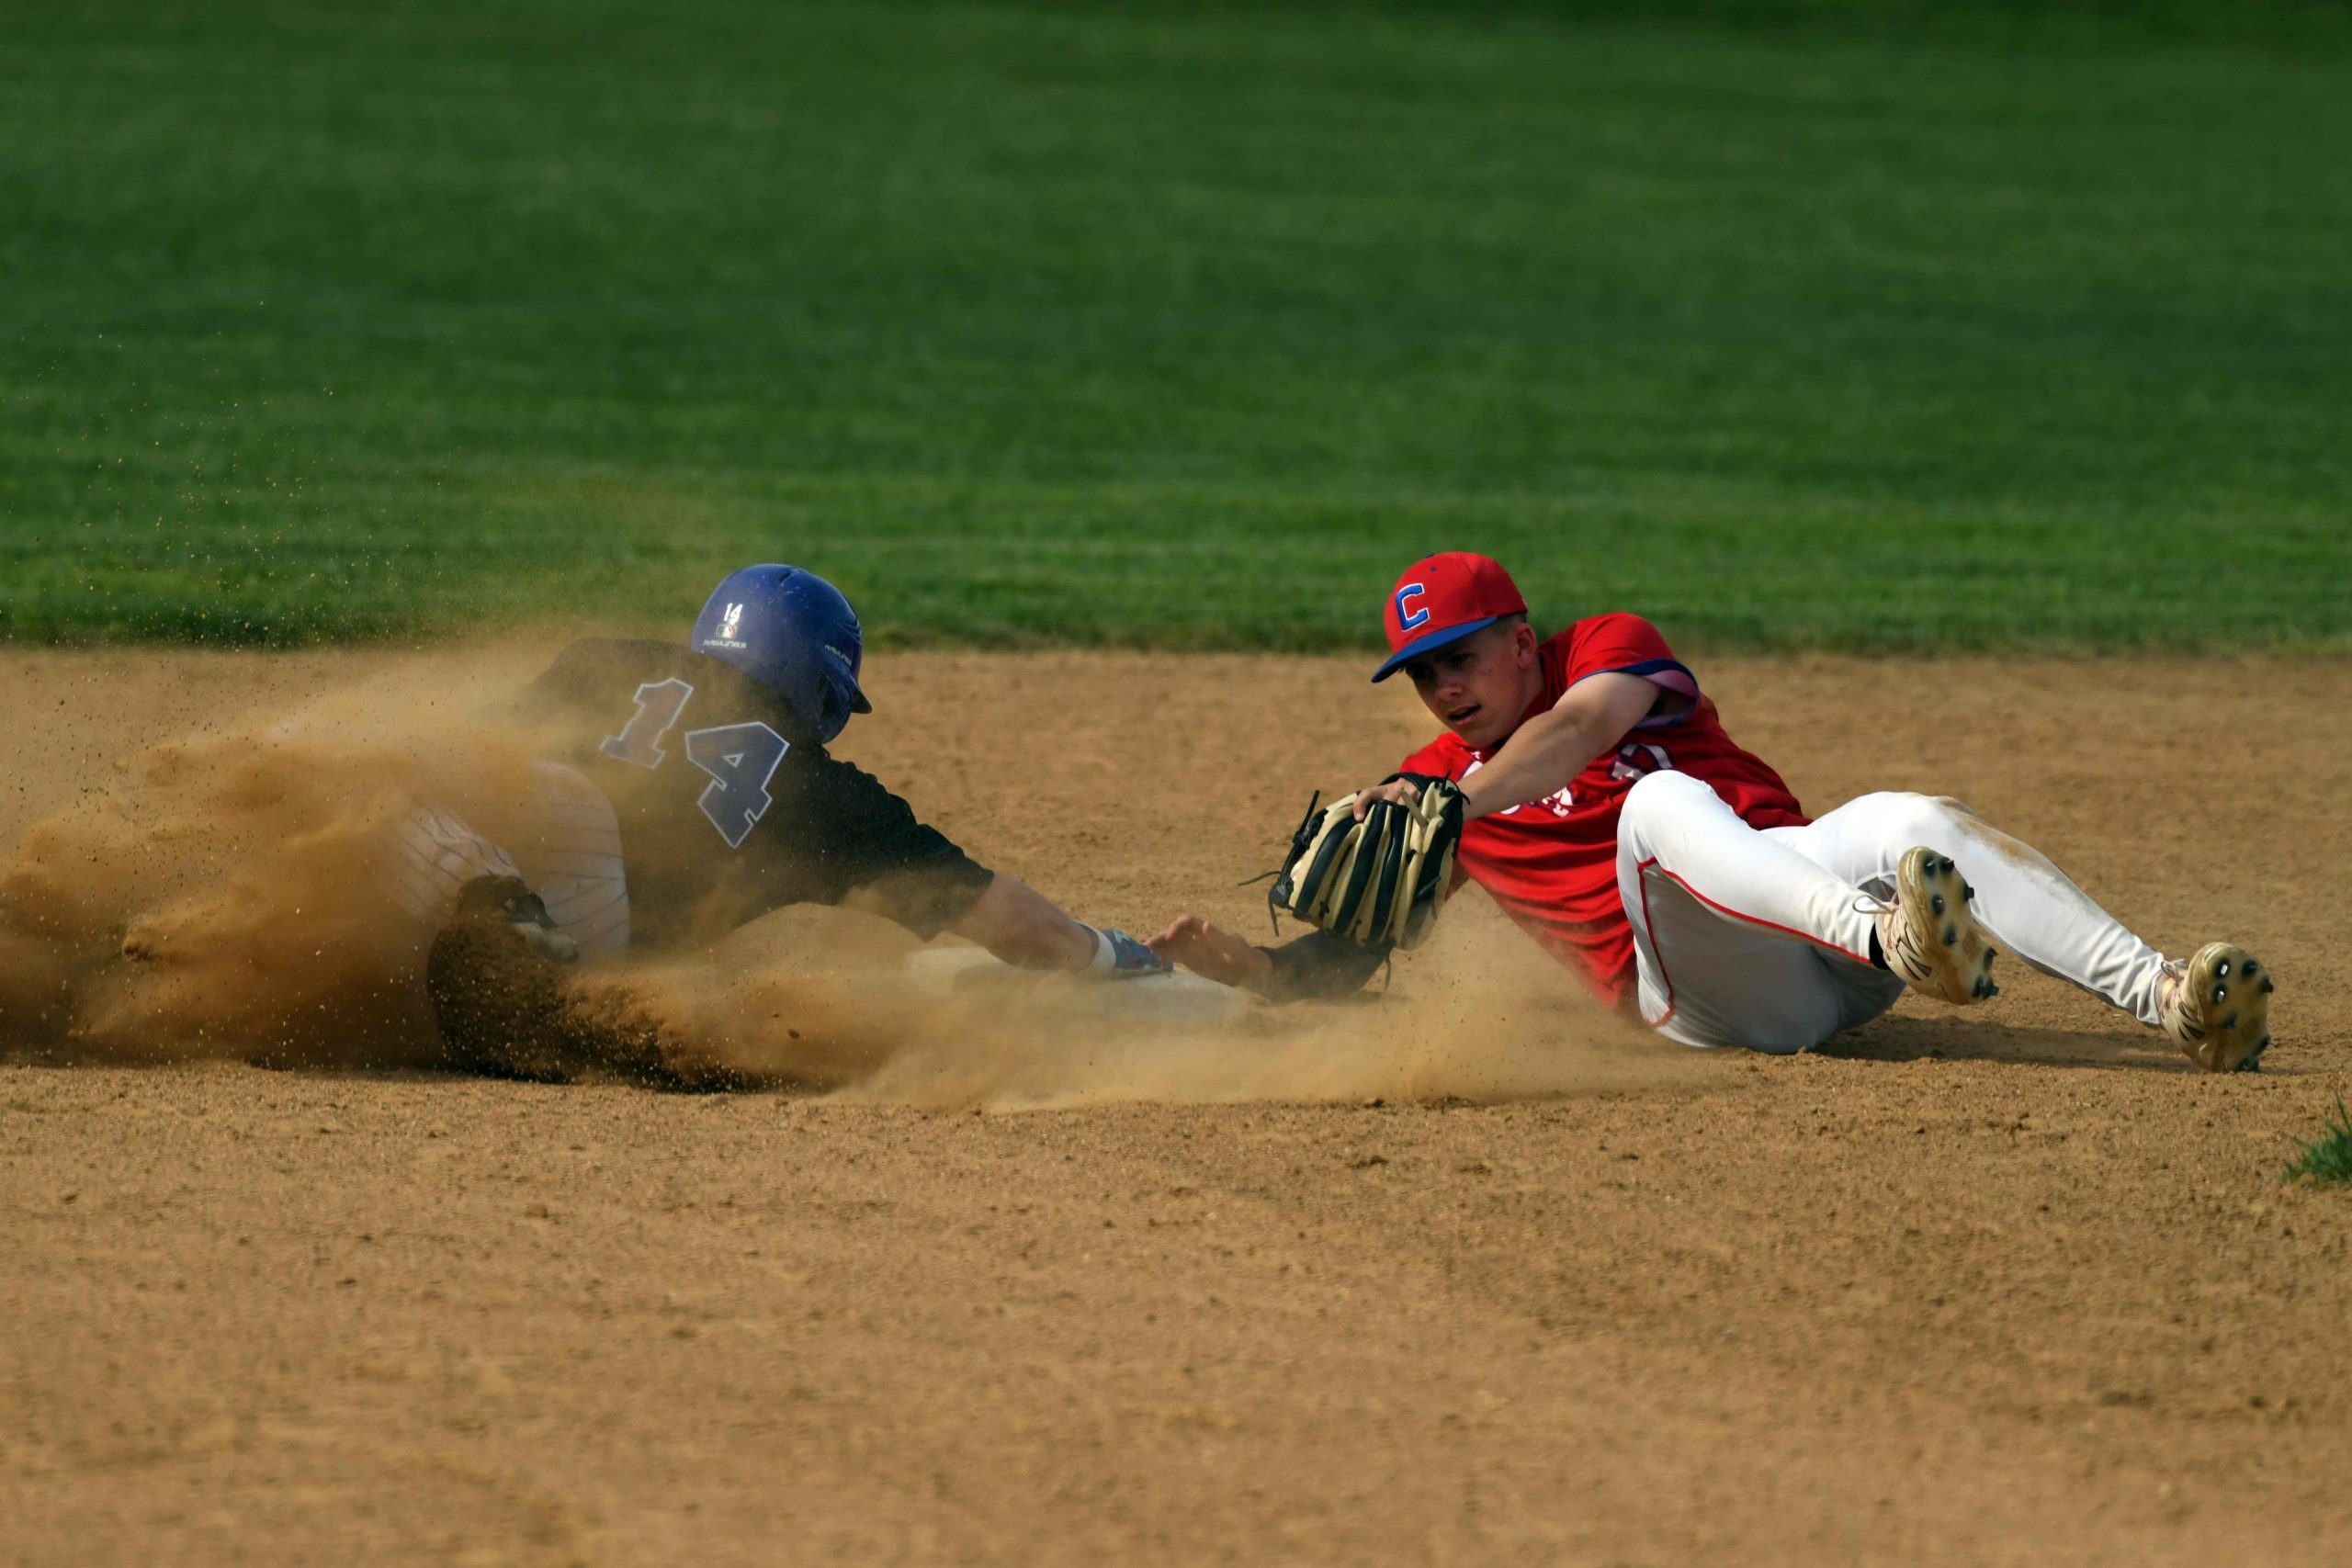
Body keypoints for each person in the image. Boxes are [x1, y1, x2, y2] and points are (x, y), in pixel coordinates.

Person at [1149, 551, 2273, 1072]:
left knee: (1907, 813)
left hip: (1821, 940)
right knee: (1661, 808)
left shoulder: (1598, 658)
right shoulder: (1431, 795)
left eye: (1457, 657)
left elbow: (1580, 733)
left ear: (1519, 638)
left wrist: (1448, 796)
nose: (1442, 688)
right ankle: (1890, 932)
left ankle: (2169, 999)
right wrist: (1250, 966)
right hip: (1706, 1001)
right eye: (1419, 673)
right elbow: (1343, 963)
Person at [395, 563, 1167, 1080]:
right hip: (588, 914)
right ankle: (514, 962)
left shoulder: (602, 658)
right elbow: (1017, 924)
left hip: (456, 843)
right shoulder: (829, 797)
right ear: (819, 688)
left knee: (420, 801)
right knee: (556, 863)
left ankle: (483, 931)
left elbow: (483, 746)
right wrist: (1110, 952)